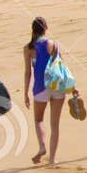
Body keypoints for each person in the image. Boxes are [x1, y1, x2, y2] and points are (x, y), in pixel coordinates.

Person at [22, 16, 64, 165]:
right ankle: (52, 159)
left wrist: (26, 92)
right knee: (55, 125)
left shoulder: (28, 49)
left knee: (39, 119)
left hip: (40, 87)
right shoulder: (52, 44)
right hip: (57, 86)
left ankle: (42, 146)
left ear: (33, 30)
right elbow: (62, 67)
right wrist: (73, 88)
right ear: (46, 28)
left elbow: (28, 72)